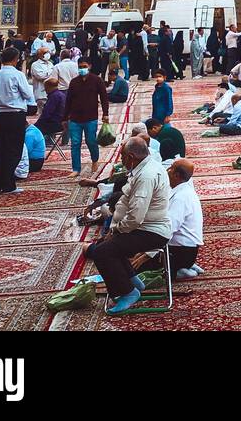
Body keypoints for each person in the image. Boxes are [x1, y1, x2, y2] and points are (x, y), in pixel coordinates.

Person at [84, 136, 172, 314]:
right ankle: (132, 282)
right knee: (104, 245)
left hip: (152, 231)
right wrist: (114, 228)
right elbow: (126, 201)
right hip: (143, 227)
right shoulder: (143, 168)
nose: (121, 161)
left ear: (131, 157)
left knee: (102, 252)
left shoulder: (146, 175)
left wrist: (116, 229)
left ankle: (128, 292)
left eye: (123, 157)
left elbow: (135, 217)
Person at [0, 48, 34, 193]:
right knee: (13, 150)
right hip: (14, 116)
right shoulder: (17, 75)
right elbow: (27, 94)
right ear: (15, 59)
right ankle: (8, 184)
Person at [65, 58, 110, 179]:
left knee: (91, 141)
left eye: (84, 66)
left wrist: (106, 113)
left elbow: (104, 97)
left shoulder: (97, 80)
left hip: (91, 117)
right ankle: (76, 169)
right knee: (75, 143)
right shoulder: (74, 82)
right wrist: (65, 117)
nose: (82, 69)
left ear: (89, 66)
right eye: (80, 66)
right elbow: (68, 100)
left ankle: (95, 160)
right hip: (75, 118)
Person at [165, 158, 204, 279]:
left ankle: (177, 271)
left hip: (181, 252)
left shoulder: (180, 198)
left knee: (141, 266)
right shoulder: (186, 191)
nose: (167, 170)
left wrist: (147, 253)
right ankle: (186, 265)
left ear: (176, 175)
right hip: (188, 250)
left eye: (170, 168)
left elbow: (169, 228)